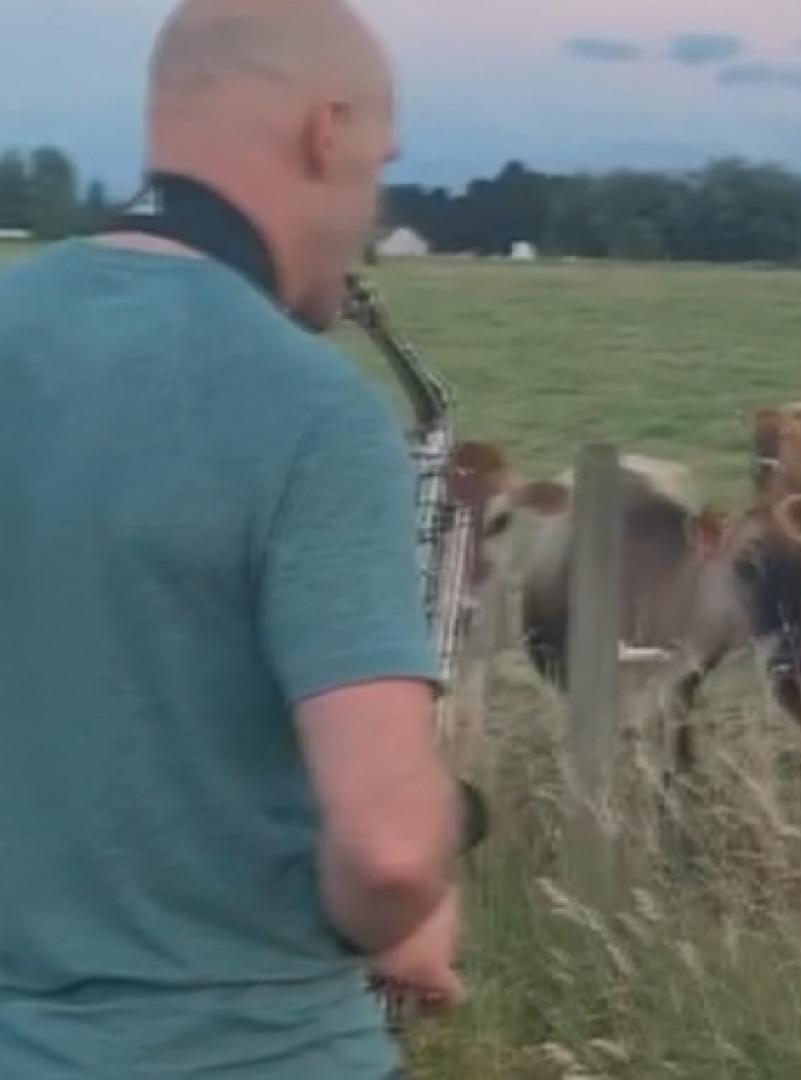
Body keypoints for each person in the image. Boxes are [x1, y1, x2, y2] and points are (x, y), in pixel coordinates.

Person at [0, 0, 465, 1075]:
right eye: (379, 166)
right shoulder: (313, 410)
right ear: (327, 132)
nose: (370, 210)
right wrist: (409, 901)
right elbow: (390, 854)